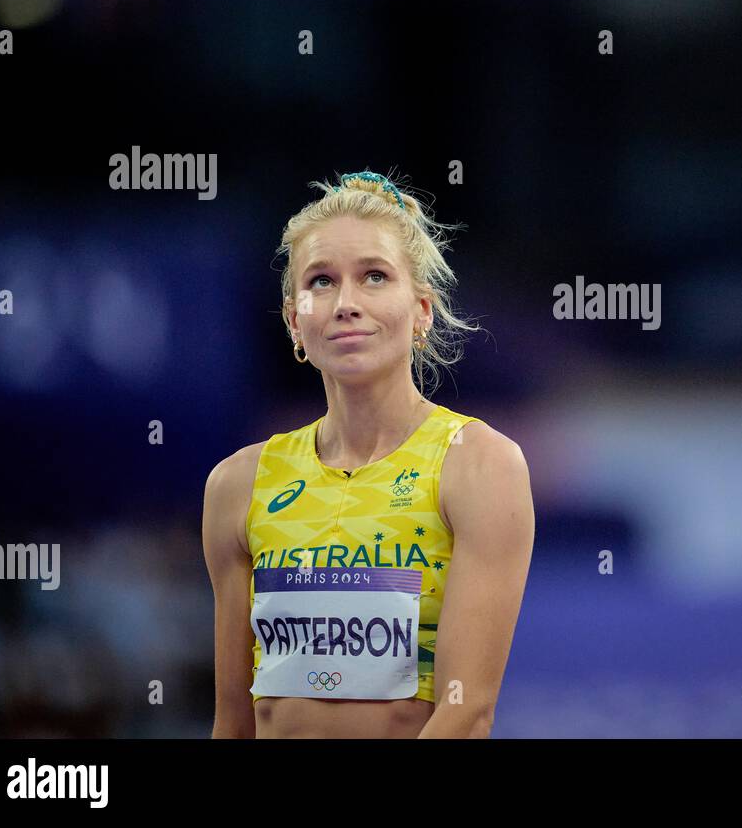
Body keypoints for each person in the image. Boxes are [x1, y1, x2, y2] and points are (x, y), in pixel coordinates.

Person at [201, 170, 534, 738]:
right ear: (294, 323)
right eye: (322, 281)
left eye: (374, 277)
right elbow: (234, 722)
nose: (347, 303)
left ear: (422, 312)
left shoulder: (478, 465)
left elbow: (467, 712)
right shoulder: (238, 485)